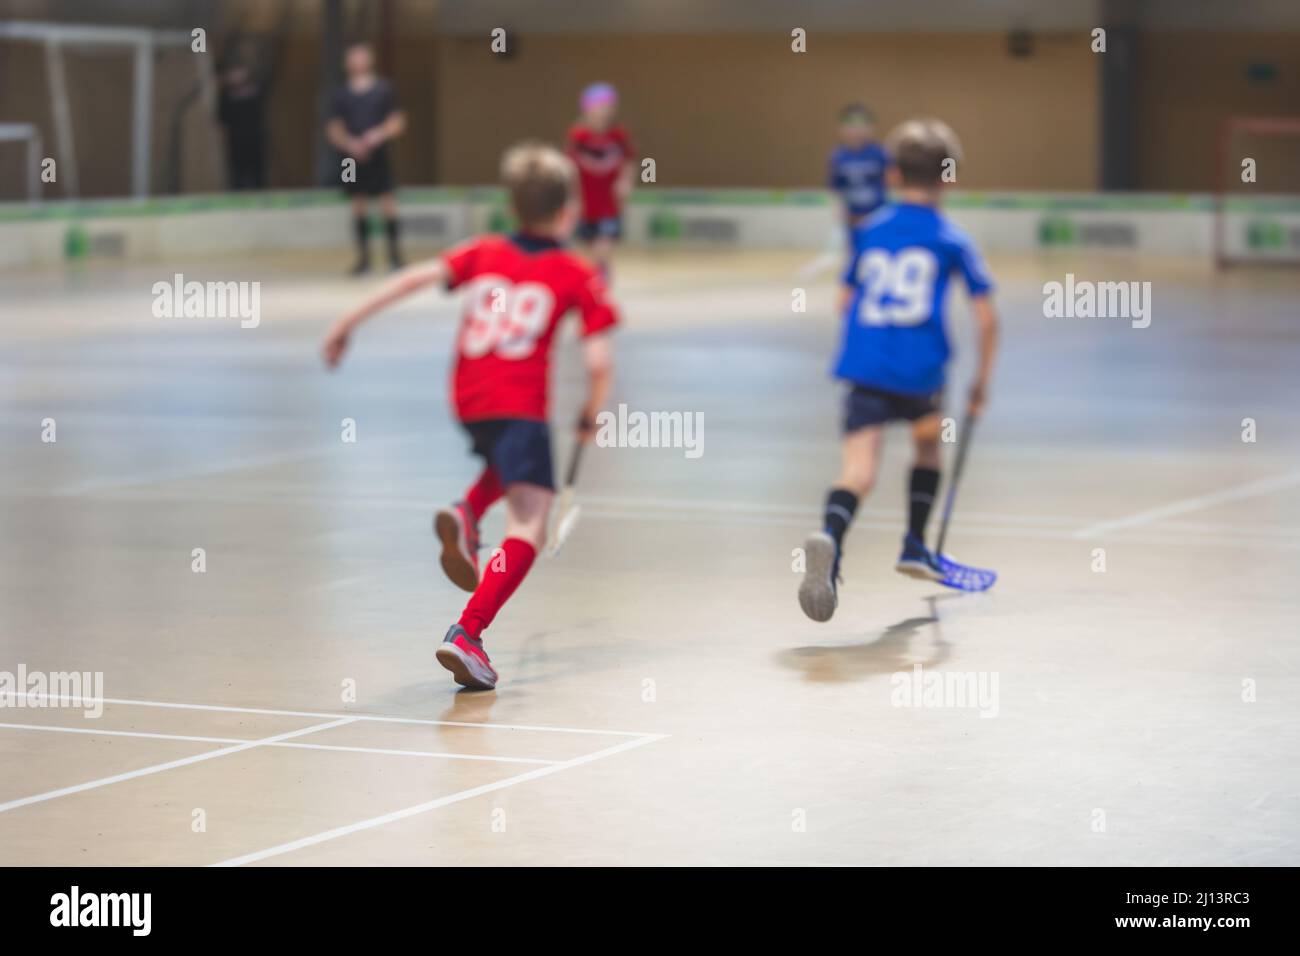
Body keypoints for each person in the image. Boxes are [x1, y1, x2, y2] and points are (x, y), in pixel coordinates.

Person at [320, 143, 618, 690]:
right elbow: (599, 360)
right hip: (518, 400)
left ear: (513, 207)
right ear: (568, 213)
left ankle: (468, 511)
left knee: (508, 466)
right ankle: (469, 632)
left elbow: (412, 279)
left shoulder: (482, 250)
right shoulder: (575, 273)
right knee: (529, 524)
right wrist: (591, 412)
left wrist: (346, 321)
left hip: (467, 395)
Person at [798, 119, 999, 623]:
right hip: (921, 369)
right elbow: (986, 316)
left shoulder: (869, 231)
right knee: (928, 445)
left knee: (858, 470)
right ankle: (914, 543)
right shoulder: (951, 238)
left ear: (890, 175)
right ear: (949, 177)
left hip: (864, 364)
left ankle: (832, 540)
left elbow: (845, 300)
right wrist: (980, 383)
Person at [325, 43, 407, 274]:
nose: (358, 62)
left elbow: (397, 121)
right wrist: (350, 144)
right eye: (353, 57)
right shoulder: (339, 94)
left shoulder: (384, 89)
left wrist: (378, 135)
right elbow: (333, 128)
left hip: (378, 154)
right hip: (350, 159)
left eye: (362, 57)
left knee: (387, 202)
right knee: (357, 204)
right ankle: (364, 258)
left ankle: (394, 256)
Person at [565, 82, 636, 277]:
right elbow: (571, 168)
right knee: (589, 253)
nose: (603, 112)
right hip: (587, 204)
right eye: (598, 107)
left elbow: (629, 161)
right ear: (588, 109)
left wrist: (626, 183)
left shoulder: (618, 136)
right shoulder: (579, 136)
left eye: (608, 107)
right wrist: (573, 197)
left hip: (609, 205)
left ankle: (602, 287)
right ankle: (593, 284)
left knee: (603, 250)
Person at [827, 103, 890, 239]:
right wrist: (839, 212)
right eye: (851, 125)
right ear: (841, 128)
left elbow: (892, 183)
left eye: (862, 125)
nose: (856, 130)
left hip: (877, 217)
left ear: (871, 128)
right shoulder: (838, 156)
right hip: (852, 220)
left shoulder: (880, 154)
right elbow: (836, 189)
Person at [216, 58, 269, 190]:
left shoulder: (255, 91)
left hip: (255, 138)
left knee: (257, 173)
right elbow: (221, 117)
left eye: (238, 72)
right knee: (237, 174)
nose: (236, 76)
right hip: (236, 140)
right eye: (232, 73)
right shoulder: (226, 95)